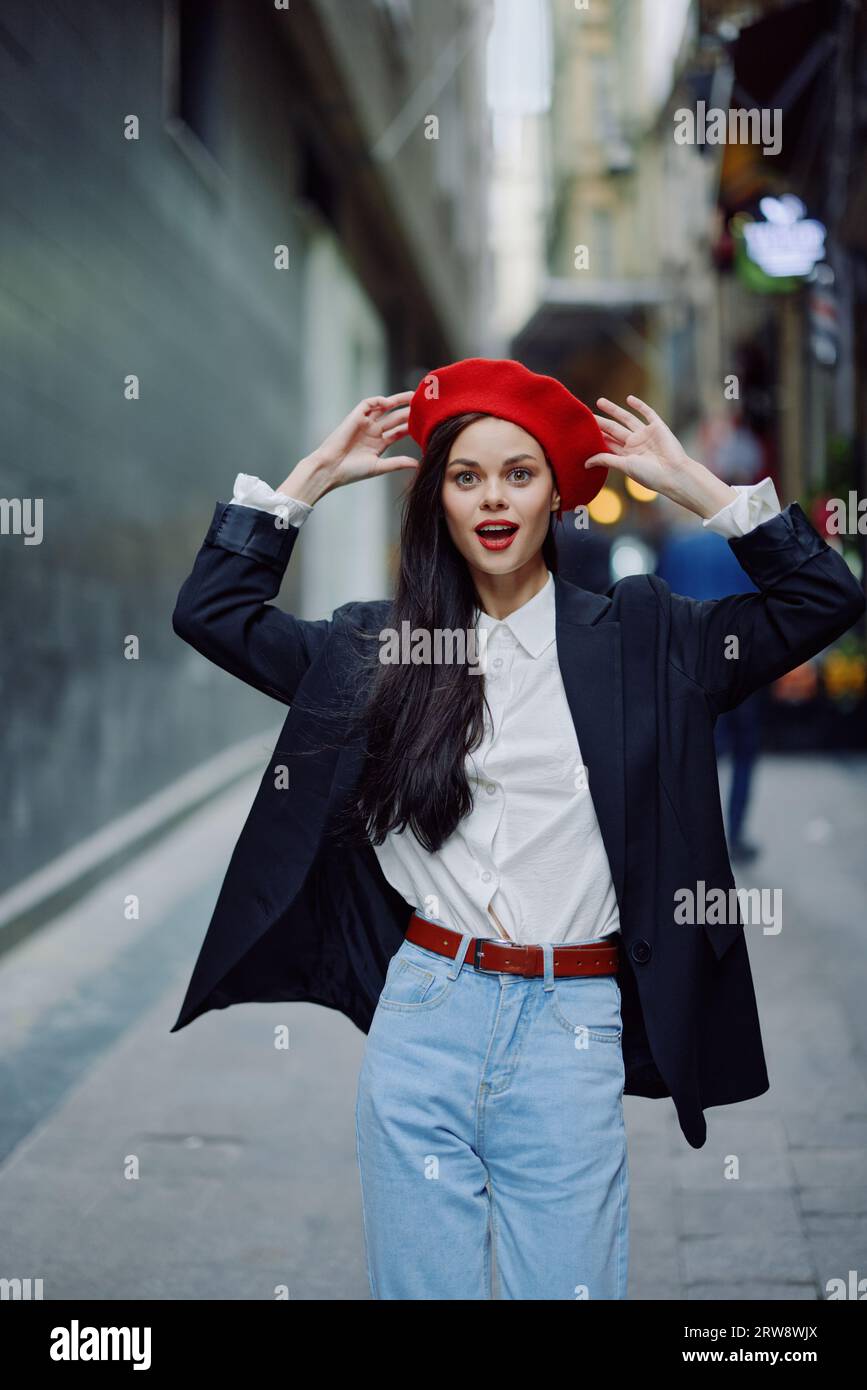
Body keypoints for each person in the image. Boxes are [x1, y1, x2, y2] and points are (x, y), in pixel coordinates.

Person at [169, 358, 865, 1300]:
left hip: (570, 1026)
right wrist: (308, 482)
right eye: (465, 477)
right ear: (440, 503)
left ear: (555, 498)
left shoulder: (646, 637)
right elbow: (211, 613)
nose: (492, 499)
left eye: (518, 473)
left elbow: (823, 600)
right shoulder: (382, 650)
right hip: (422, 1016)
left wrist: (700, 487)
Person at [655, 516, 771, 863]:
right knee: (745, 750)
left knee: (693, 751)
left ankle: (689, 836)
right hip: (740, 662)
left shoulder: (676, 545)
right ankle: (734, 833)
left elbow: (658, 596)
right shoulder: (745, 548)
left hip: (689, 663)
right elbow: (764, 600)